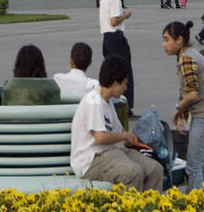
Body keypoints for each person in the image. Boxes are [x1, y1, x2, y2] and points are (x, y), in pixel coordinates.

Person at [69, 55, 163, 191]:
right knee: (132, 173)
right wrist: (124, 136)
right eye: (124, 83)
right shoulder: (93, 101)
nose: (126, 88)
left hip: (111, 152)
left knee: (155, 169)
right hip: (91, 160)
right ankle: (130, 205)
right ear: (115, 82)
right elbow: (100, 137)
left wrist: (131, 139)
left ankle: (149, 204)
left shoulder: (108, 102)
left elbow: (119, 131)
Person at [163, 20, 204, 192]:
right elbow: (187, 89)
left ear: (179, 40)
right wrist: (181, 111)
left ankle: (196, 202)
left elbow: (192, 94)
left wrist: (178, 108)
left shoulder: (186, 58)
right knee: (199, 163)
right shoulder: (189, 54)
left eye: (167, 40)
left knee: (193, 166)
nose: (163, 44)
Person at [99, 0, 137, 113]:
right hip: (116, 38)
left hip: (107, 38)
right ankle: (126, 106)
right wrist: (125, 16)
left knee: (111, 73)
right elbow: (114, 21)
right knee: (124, 71)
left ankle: (111, 103)